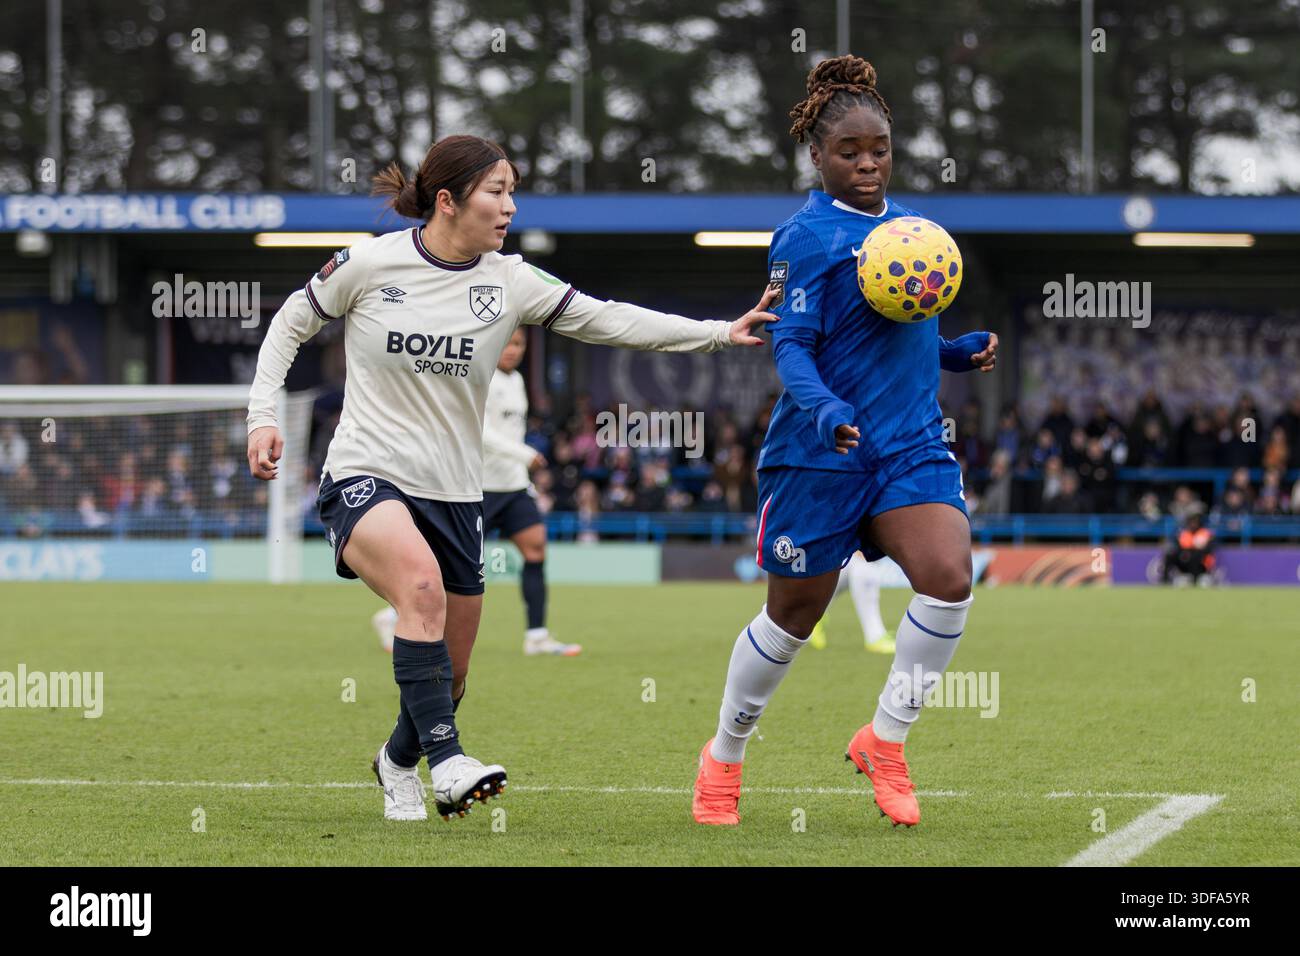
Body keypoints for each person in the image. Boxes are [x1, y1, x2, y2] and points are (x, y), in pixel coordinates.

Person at [247, 134, 775, 823]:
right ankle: (450, 764)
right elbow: (290, 322)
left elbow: (610, 319)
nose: (510, 206)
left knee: (451, 670)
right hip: (364, 473)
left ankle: (398, 759)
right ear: (448, 200)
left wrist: (714, 333)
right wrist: (262, 415)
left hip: (457, 491)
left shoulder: (511, 280)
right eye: (496, 191)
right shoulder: (371, 264)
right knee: (419, 587)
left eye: (512, 191)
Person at [692, 55, 996, 830]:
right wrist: (825, 409)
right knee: (793, 616)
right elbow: (792, 345)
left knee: (949, 576)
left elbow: (905, 331)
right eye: (849, 152)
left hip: (908, 444)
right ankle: (724, 755)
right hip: (817, 453)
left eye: (879, 150)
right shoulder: (804, 236)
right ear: (818, 156)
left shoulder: (914, 232)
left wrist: (954, 350)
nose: (866, 163)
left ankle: (885, 741)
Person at [371, 327, 580, 658]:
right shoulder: (480, 379)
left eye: (518, 344)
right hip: (477, 487)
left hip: (512, 486)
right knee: (448, 566)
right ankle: (392, 616)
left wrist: (520, 468)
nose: (512, 350)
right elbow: (478, 431)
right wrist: (523, 454)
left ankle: (537, 636)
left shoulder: (517, 382)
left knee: (536, 547)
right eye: (507, 343)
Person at [1161, 512, 1215, 586]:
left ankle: (1195, 580)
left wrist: (1191, 552)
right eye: (1191, 522)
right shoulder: (1184, 533)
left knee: (1196, 556)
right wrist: (1184, 553)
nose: (1193, 524)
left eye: (1195, 522)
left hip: (1201, 563)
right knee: (1170, 555)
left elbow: (1208, 549)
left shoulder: (1205, 533)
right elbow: (1179, 547)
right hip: (1185, 559)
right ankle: (1164, 580)